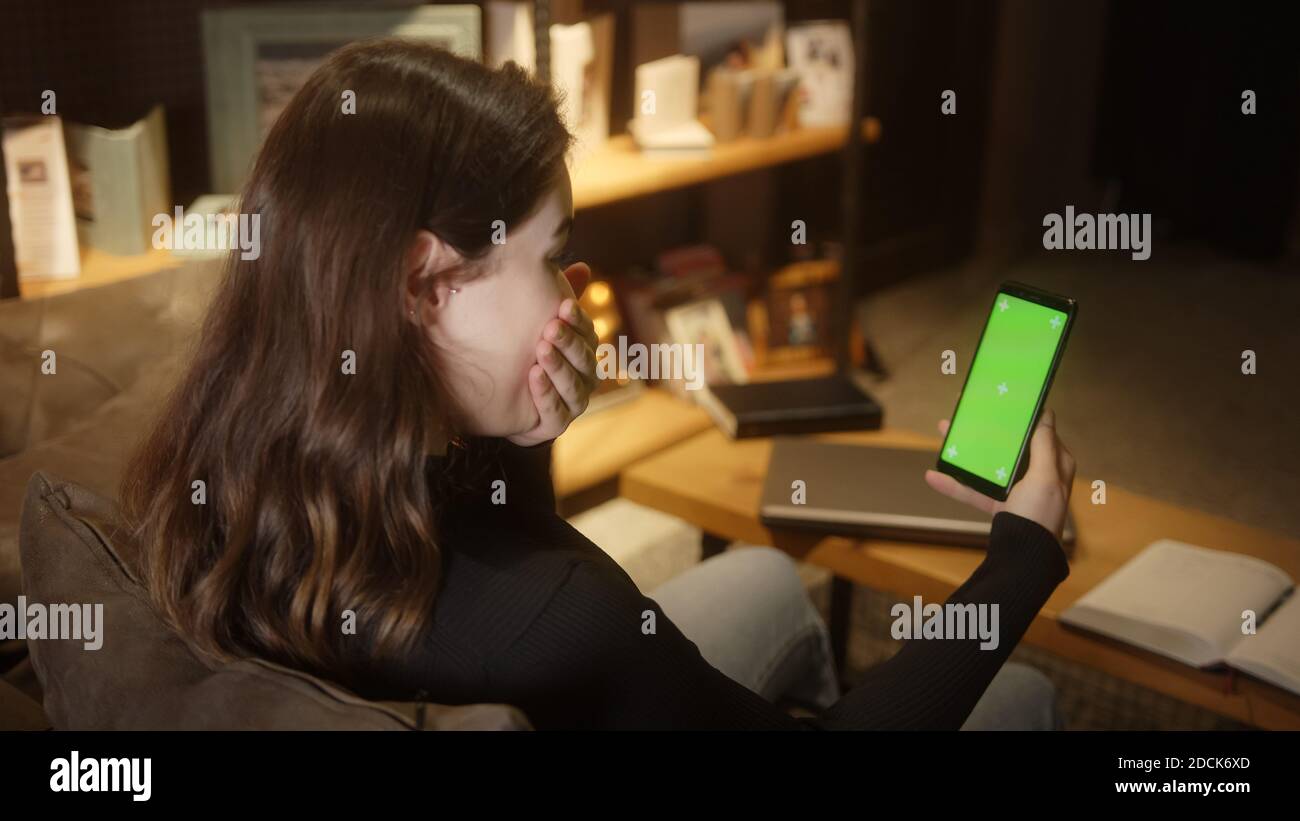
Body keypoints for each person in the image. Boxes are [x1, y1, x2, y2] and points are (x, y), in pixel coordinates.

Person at [119, 38, 1073, 730]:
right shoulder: (561, 616)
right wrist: (1023, 553)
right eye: (555, 254)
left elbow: (494, 549)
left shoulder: (230, 474)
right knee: (1022, 693)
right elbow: (543, 596)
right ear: (427, 282)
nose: (577, 291)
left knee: (768, 578)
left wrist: (521, 438)